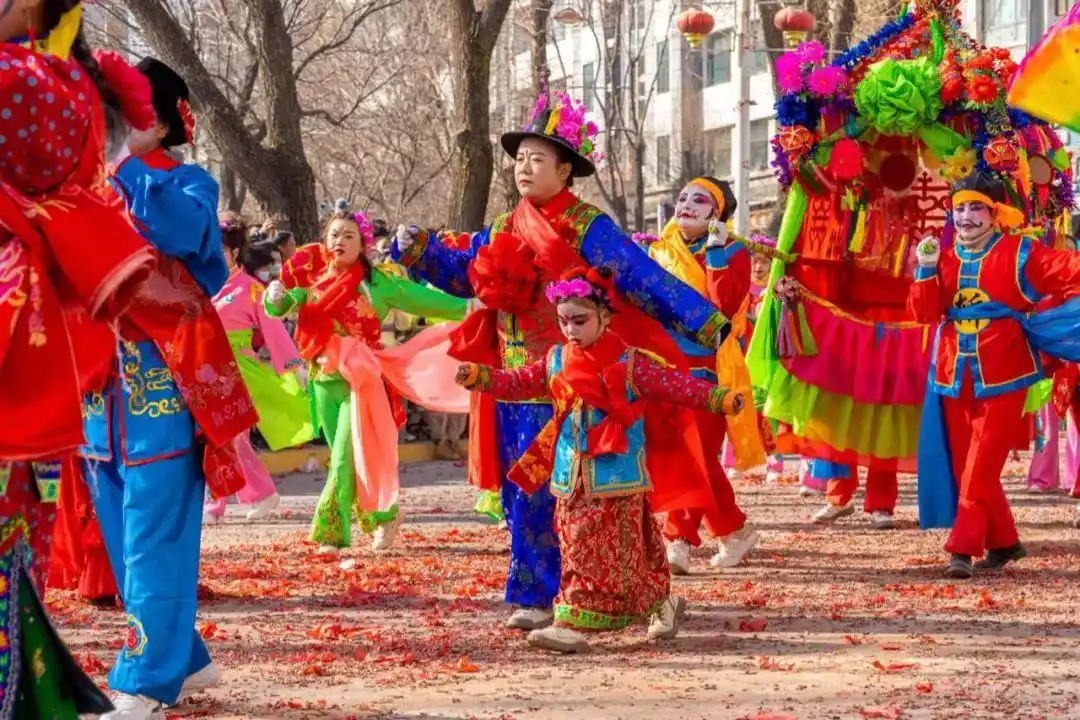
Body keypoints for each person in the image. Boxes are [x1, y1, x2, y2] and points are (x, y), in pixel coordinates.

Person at [393, 89, 731, 631]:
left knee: (581, 494)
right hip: (515, 375)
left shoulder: (587, 226)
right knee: (521, 485)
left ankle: (594, 590)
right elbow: (466, 272)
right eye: (520, 158)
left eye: (537, 159)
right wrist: (421, 251)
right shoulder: (504, 226)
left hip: (575, 382)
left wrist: (699, 317)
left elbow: (640, 277)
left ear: (566, 169)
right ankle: (536, 591)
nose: (524, 168)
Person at [0, 1, 185, 715]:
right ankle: (172, 661)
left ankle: (153, 667)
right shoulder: (59, 88)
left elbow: (191, 276)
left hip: (158, 369)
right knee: (108, 524)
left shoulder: (31, 81)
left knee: (153, 529)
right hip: (82, 360)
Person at [80, 57, 259, 719]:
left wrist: (123, 167)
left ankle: (146, 681)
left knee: (153, 534)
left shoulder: (189, 183)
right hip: (101, 387)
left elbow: (185, 239)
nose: (128, 121)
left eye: (138, 110)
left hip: (167, 379)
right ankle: (185, 660)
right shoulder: (89, 186)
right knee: (120, 532)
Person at [455, 268, 743, 653]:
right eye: (563, 321)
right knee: (579, 547)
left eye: (580, 320)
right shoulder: (556, 360)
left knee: (617, 554)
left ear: (604, 318)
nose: (570, 329)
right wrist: (481, 377)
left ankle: (602, 616)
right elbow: (520, 382)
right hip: (570, 474)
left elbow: (676, 385)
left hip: (617, 476)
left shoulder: (629, 364)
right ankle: (627, 609)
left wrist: (718, 398)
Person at [265, 208, 468, 554]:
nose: (340, 241)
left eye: (349, 236)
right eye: (334, 234)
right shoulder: (313, 279)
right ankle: (384, 516)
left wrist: (471, 308)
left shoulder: (378, 284)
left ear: (363, 244)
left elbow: (424, 299)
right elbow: (284, 304)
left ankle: (330, 532)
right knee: (353, 458)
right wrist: (275, 297)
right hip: (323, 381)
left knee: (345, 457)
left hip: (361, 383)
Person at [912, 171, 1080, 578]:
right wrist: (925, 270)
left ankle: (962, 548)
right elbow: (923, 314)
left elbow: (1069, 269)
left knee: (980, 466)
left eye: (976, 209)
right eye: (960, 209)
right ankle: (1005, 542)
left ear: (994, 214)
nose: (966, 217)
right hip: (954, 372)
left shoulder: (1021, 252)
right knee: (967, 465)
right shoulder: (944, 256)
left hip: (1005, 373)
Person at [649, 178, 760, 574]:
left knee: (696, 456)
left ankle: (677, 538)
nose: (687, 206)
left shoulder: (734, 252)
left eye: (699, 200)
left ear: (717, 212)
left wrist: (714, 252)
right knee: (684, 456)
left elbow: (722, 305)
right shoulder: (659, 253)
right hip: (663, 368)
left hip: (710, 371)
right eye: (681, 198)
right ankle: (734, 531)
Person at [206, 240, 313, 523]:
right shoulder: (206, 283)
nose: (216, 253)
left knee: (229, 437)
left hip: (240, 368)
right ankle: (256, 494)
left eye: (222, 248)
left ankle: (230, 501)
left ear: (235, 252)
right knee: (216, 436)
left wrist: (293, 366)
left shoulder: (250, 287)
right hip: (208, 367)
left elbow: (272, 326)